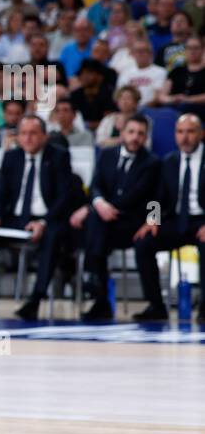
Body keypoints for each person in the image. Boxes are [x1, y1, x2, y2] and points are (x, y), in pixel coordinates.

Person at [0, 115, 74, 320]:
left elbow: (64, 197)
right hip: (15, 218)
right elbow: (1, 193)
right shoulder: (11, 157)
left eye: (33, 133)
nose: (28, 139)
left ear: (44, 136)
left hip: (47, 218)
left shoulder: (59, 156)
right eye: (23, 134)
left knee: (53, 237)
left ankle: (35, 300)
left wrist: (43, 222)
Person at [72, 114, 158, 321]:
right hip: (104, 222)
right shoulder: (107, 154)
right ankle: (97, 291)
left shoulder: (152, 162)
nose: (135, 137)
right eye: (131, 132)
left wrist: (98, 208)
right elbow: (95, 185)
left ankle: (96, 290)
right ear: (122, 134)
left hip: (132, 223)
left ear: (146, 137)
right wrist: (98, 203)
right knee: (90, 226)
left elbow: (140, 196)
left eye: (140, 134)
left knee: (93, 225)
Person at [132, 114, 205, 323]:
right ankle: (156, 305)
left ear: (201, 134)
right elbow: (156, 197)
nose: (185, 138)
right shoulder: (169, 161)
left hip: (202, 221)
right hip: (176, 220)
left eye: (191, 132)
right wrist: (152, 219)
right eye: (180, 132)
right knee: (143, 243)